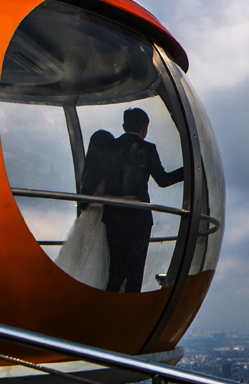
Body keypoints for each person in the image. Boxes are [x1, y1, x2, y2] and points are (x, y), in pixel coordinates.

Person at [103, 108, 183, 293]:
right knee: (135, 272)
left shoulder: (111, 147)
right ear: (145, 127)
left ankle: (107, 309)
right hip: (138, 219)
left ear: (124, 126)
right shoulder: (148, 149)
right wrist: (188, 171)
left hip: (114, 217)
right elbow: (163, 180)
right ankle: (129, 311)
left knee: (115, 271)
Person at [55, 130, 116, 288]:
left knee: (82, 256)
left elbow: (86, 199)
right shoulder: (104, 170)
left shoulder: (90, 169)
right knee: (94, 258)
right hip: (99, 219)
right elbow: (98, 197)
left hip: (89, 218)